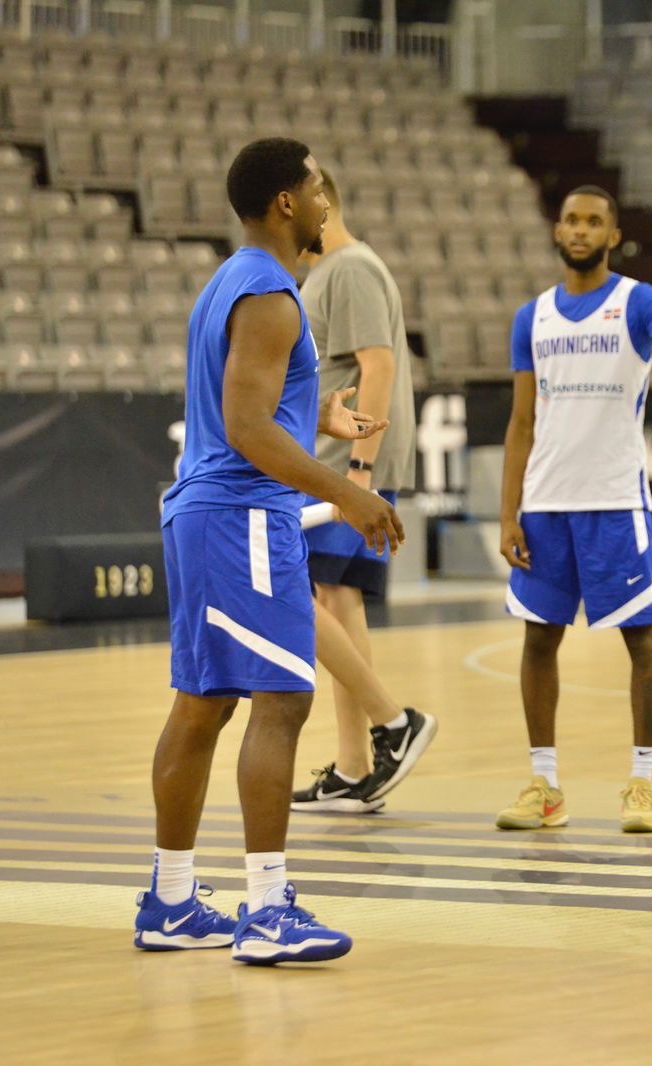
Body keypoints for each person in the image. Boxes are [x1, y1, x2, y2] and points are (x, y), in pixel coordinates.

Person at [133, 139, 404, 965]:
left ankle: (172, 902)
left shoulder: (232, 279)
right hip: (242, 517)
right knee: (282, 700)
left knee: (204, 702)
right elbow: (247, 431)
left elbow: (246, 407)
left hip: (206, 512)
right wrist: (350, 492)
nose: (327, 201)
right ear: (287, 202)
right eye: (318, 187)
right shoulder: (274, 296)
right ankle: (266, 909)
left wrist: (316, 418)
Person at [496, 184, 652, 833]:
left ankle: (643, 783)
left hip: (615, 501)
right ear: (557, 230)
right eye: (570, 219)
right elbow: (519, 421)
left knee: (640, 640)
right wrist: (508, 512)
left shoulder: (639, 302)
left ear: (612, 233)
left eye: (593, 220)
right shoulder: (532, 317)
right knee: (539, 640)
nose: (579, 229)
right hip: (544, 506)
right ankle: (544, 785)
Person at [289, 166, 437, 814]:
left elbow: (377, 366)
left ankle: (392, 722)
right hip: (336, 467)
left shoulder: (348, 268)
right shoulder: (327, 272)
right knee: (335, 598)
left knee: (295, 595)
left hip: (343, 469)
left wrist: (359, 474)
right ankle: (356, 764)